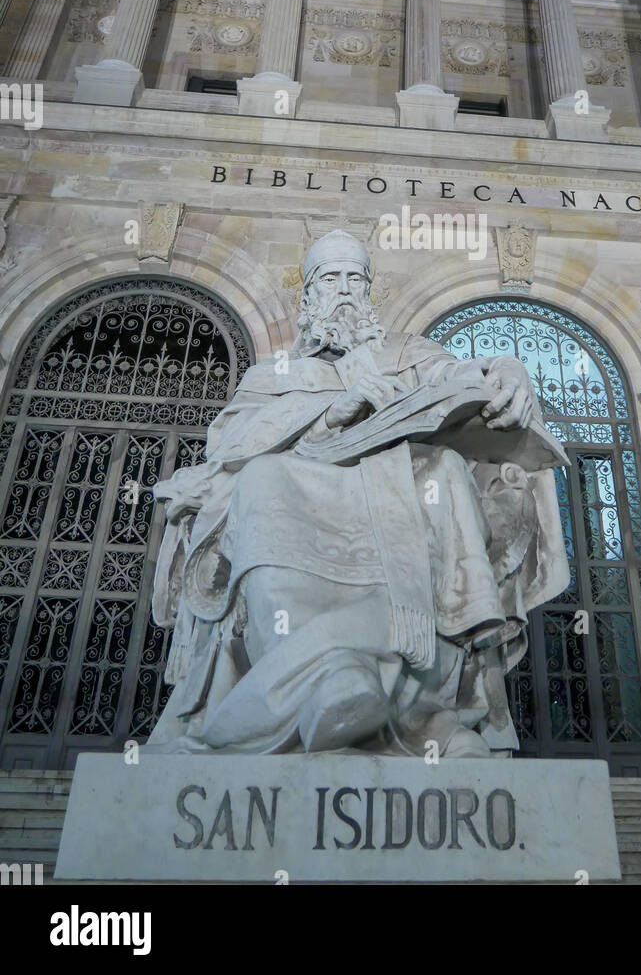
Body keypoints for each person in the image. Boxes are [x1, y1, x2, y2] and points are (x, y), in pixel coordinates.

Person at [146, 229, 569, 756]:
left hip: (395, 486)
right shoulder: (274, 374)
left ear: (369, 290)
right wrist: (331, 413)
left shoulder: (405, 355)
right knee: (260, 480)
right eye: (331, 277)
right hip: (299, 483)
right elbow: (230, 441)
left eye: (355, 278)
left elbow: (460, 373)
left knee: (445, 474)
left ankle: (422, 703)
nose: (344, 289)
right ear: (309, 296)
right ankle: (316, 678)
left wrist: (507, 369)